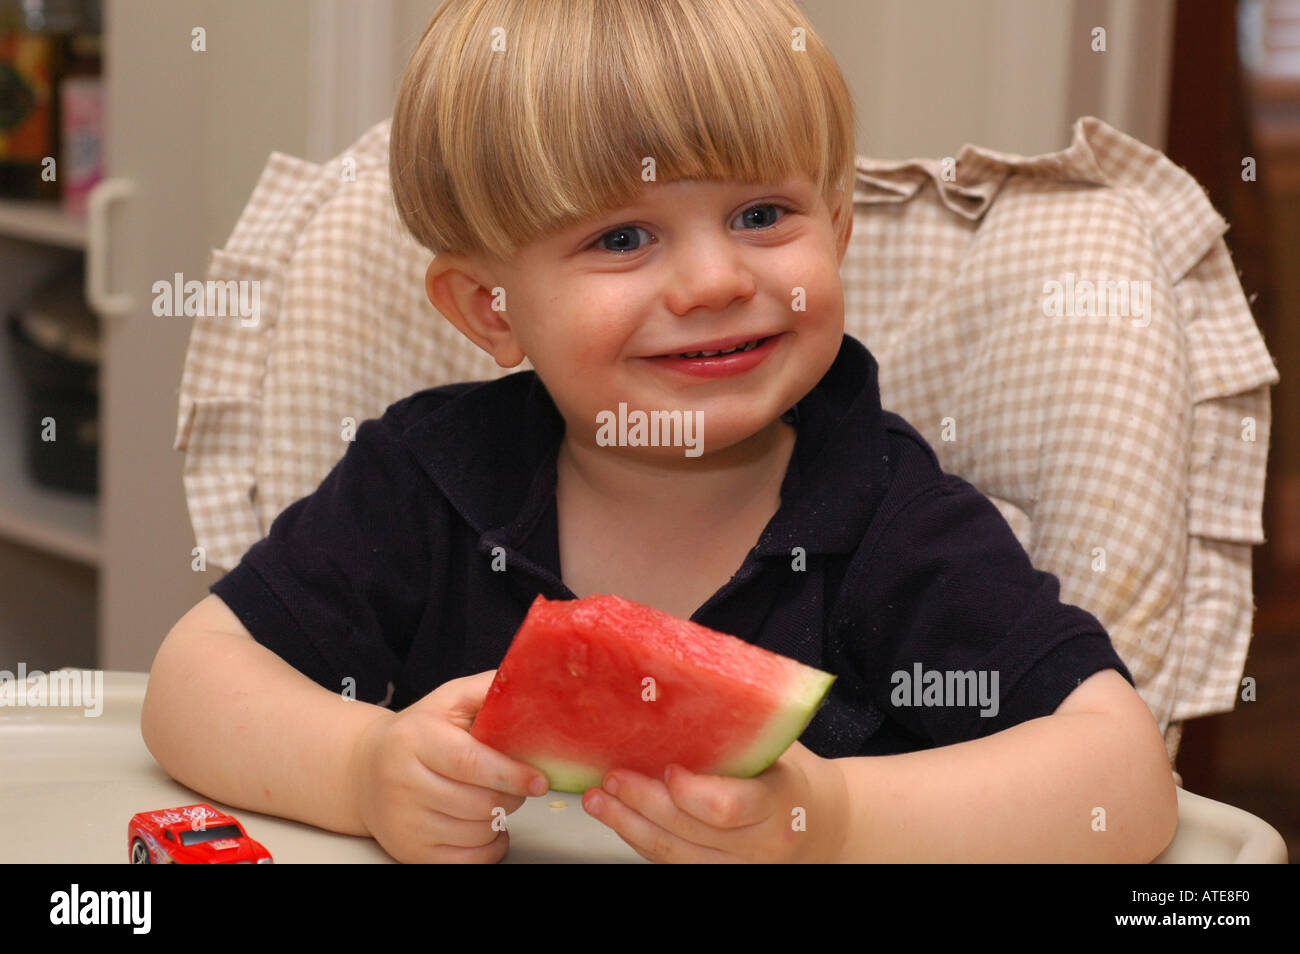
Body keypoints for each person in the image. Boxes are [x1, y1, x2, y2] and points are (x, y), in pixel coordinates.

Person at [143, 0, 1178, 863]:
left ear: (839, 229)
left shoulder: (889, 521)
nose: (718, 282)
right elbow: (192, 680)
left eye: (762, 215)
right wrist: (360, 772)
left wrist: (838, 824)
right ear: (489, 310)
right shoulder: (427, 482)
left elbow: (1123, 781)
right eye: (622, 237)